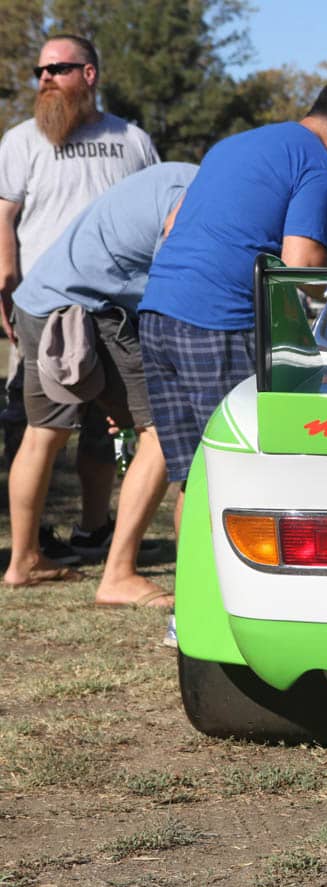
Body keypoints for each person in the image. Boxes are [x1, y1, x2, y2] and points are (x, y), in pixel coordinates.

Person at [138, 72, 327, 524]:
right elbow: (301, 266)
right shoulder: (318, 168)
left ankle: (192, 573)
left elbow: (172, 225)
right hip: (216, 322)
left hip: (157, 313)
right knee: (241, 471)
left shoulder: (236, 145)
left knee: (197, 476)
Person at [4, 163, 196, 602]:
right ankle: (119, 575)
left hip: (39, 299)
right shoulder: (197, 194)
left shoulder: (180, 176)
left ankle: (23, 561)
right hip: (83, 308)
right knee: (161, 432)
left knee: (42, 435)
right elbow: (175, 275)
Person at [0, 33, 159, 561]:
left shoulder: (132, 140)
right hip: (43, 306)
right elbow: (5, 216)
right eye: (40, 72)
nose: (45, 79)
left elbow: (156, 217)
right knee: (35, 424)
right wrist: (5, 280)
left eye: (58, 69)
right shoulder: (22, 140)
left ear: (89, 74)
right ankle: (35, 537)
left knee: (101, 425)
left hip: (115, 308)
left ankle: (94, 528)